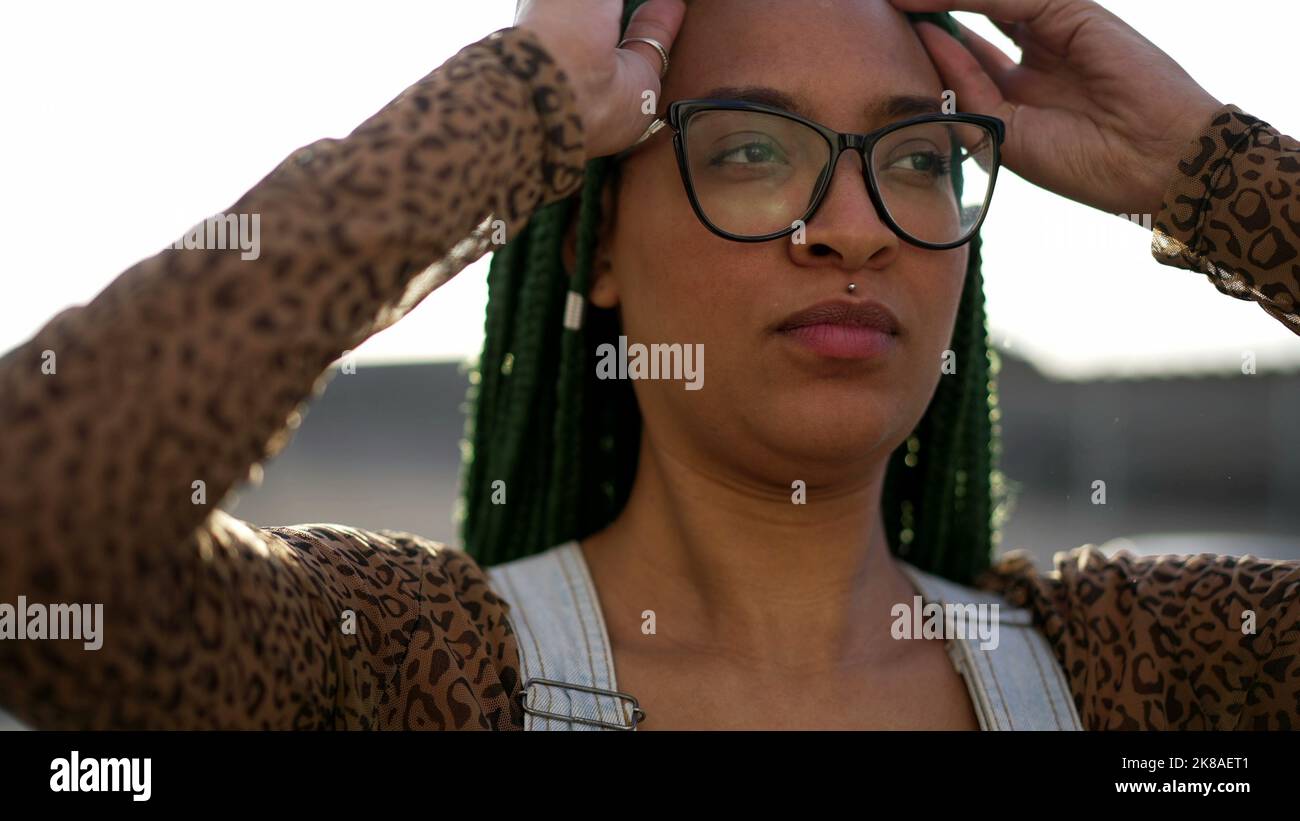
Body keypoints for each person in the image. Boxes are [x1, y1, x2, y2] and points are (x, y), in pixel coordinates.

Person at [0, 0, 1296, 731]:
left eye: (916, 160)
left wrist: (1203, 173)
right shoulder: (406, 675)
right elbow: (34, 523)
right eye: (747, 151)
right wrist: (511, 110)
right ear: (594, 247)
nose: (851, 226)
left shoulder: (1152, 676)